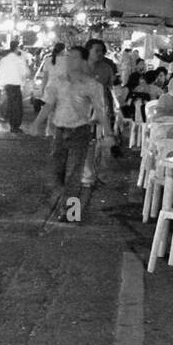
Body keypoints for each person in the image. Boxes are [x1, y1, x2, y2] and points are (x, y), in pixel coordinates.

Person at [30, 46, 112, 220]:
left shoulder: (92, 85)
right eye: (68, 57)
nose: (69, 60)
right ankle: (66, 202)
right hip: (59, 131)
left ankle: (70, 213)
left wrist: (108, 134)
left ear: (83, 61)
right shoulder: (57, 82)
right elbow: (48, 105)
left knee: (74, 175)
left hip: (80, 132)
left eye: (74, 57)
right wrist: (36, 123)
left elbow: (100, 110)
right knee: (57, 172)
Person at [0, 39, 30, 134]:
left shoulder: (4, 60)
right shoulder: (18, 60)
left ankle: (11, 123)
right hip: (15, 85)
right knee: (17, 107)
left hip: (7, 85)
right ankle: (15, 126)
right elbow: (25, 72)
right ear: (17, 48)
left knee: (11, 105)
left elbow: (0, 73)